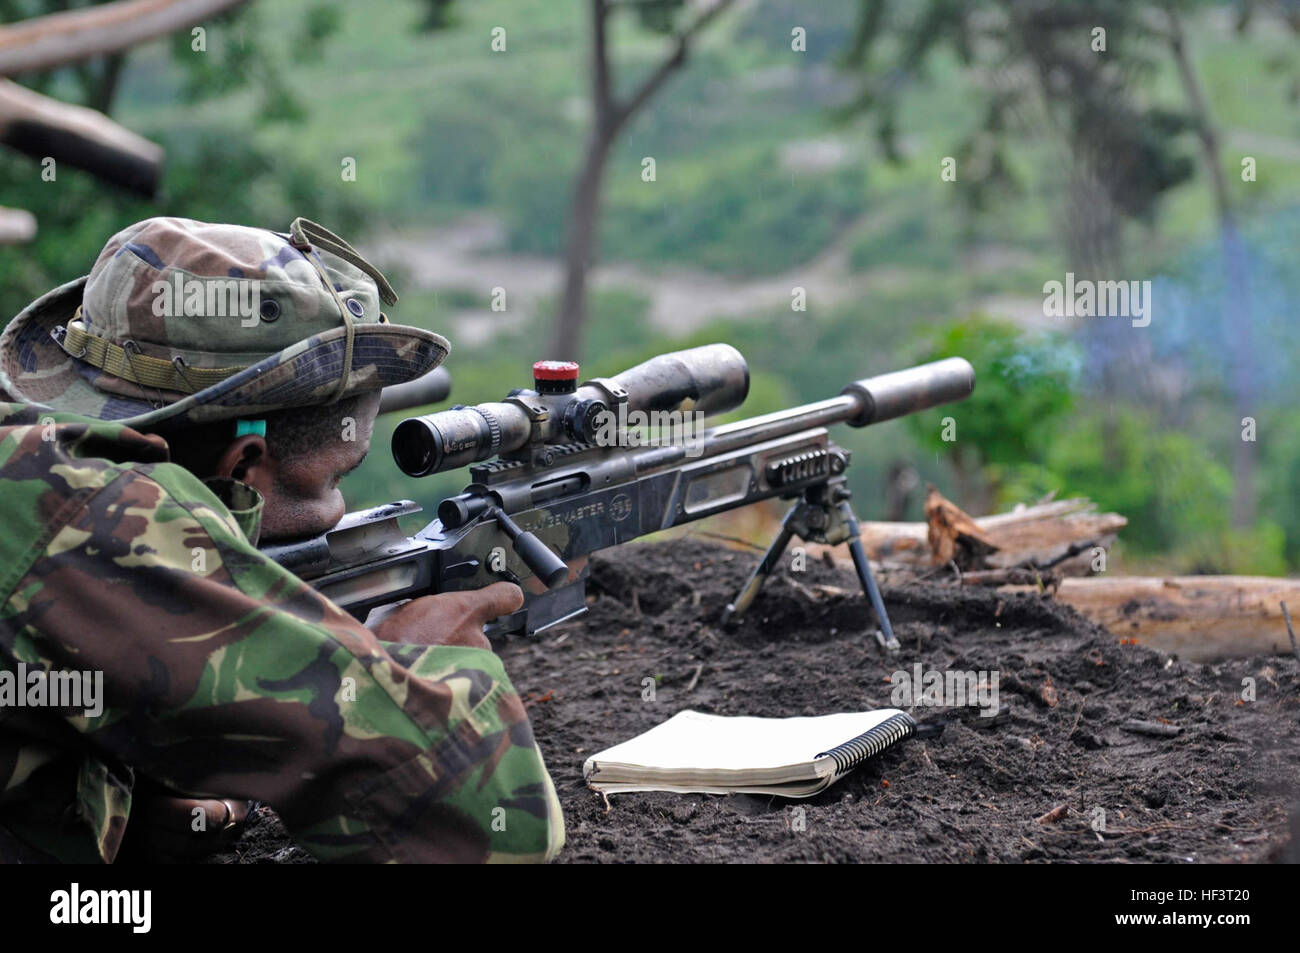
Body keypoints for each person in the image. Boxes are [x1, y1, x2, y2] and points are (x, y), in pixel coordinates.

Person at [0, 216, 565, 863]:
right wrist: (397, 673)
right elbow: (494, 829)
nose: (342, 508)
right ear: (243, 466)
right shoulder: (95, 512)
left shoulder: (31, 468)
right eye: (332, 480)